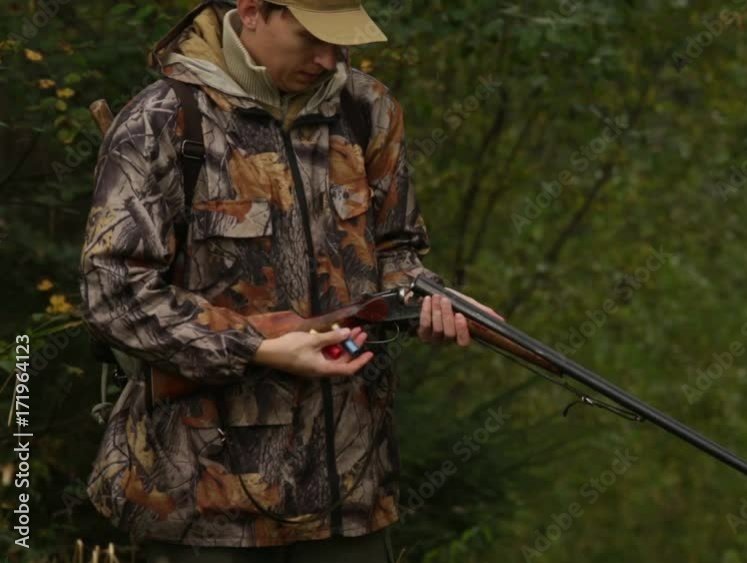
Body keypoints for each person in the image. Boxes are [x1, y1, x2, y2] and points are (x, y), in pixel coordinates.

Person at [78, 1, 500, 560]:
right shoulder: (165, 120)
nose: (330, 60)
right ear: (252, 11)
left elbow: (397, 251)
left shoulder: (366, 111)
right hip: (199, 503)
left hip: (349, 494)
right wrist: (260, 346)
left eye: (341, 41)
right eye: (311, 38)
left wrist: (427, 298)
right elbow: (114, 291)